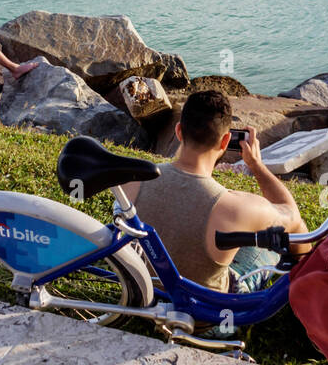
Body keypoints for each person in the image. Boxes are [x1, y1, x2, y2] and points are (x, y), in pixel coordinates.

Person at [125, 90, 312, 294]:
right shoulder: (232, 206)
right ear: (225, 142)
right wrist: (257, 165)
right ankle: (309, 285)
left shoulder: (135, 180)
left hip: (149, 294)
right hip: (210, 315)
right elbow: (291, 215)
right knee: (286, 234)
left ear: (179, 131)